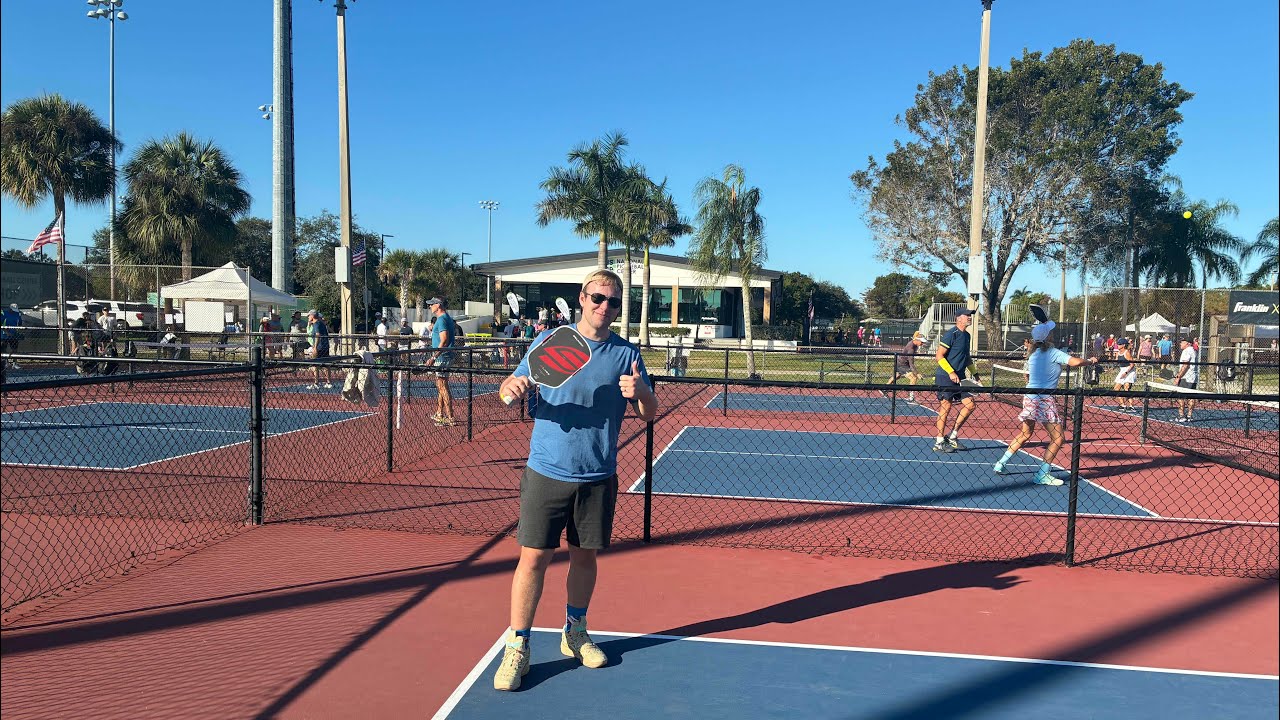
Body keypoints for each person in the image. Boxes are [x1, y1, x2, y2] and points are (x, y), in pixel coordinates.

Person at [493, 269, 657, 692]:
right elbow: (510, 386)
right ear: (582, 298)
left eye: (614, 301)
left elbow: (650, 412)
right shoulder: (553, 343)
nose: (605, 306)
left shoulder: (627, 355)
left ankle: (575, 632)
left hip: (598, 475)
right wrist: (510, 387)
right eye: (598, 298)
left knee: (585, 559)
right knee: (533, 559)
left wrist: (640, 391)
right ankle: (518, 646)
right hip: (547, 470)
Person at [992, 321, 1099, 485]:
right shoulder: (1052, 352)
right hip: (1043, 399)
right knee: (1058, 438)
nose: (1053, 334)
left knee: (1026, 434)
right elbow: (1075, 362)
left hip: (1029, 396)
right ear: (1048, 336)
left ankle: (1000, 463)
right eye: (1050, 332)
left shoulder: (1033, 354)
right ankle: (1042, 474)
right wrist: (1090, 361)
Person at [933, 309, 978, 452]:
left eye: (970, 315)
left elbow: (967, 357)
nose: (970, 317)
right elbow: (939, 356)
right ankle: (939, 442)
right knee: (946, 407)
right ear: (958, 318)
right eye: (967, 315)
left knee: (970, 405)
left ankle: (952, 436)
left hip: (961, 377)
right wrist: (951, 372)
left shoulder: (967, 336)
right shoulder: (950, 334)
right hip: (945, 376)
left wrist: (975, 374)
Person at [423, 298, 458, 426]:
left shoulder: (442, 319)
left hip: (442, 357)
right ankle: (439, 413)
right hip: (445, 356)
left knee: (443, 387)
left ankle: (450, 416)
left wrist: (433, 357)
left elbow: (443, 340)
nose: (430, 307)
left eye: (431, 305)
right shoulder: (446, 318)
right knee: (441, 386)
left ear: (438, 305)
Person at [888, 331, 926, 400]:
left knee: (897, 376)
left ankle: (885, 388)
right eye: (922, 342)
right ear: (917, 340)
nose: (923, 343)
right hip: (902, 364)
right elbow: (911, 363)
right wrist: (917, 373)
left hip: (901, 362)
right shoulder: (911, 348)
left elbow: (915, 336)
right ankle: (911, 397)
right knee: (913, 378)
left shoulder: (914, 343)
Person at [1172, 337, 1199, 422]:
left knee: (1181, 396)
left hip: (1186, 377)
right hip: (1193, 377)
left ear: (1188, 343)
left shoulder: (1187, 351)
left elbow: (1185, 365)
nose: (1180, 344)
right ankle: (1189, 415)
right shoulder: (1193, 351)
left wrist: (1178, 377)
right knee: (1191, 396)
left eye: (1182, 342)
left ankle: (1182, 415)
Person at [307, 310, 334, 389]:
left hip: (320, 347)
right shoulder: (321, 323)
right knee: (326, 364)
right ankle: (328, 382)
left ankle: (316, 383)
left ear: (312, 316)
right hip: (325, 346)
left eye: (309, 316)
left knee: (315, 364)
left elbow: (318, 335)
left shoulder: (316, 324)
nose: (308, 317)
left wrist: (315, 347)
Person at [1112, 337, 1138, 408]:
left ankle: (1131, 406)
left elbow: (1132, 365)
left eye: (1119, 344)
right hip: (1122, 370)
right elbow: (1116, 362)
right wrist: (1112, 367)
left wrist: (1126, 373)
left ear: (1123, 345)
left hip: (1129, 371)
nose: (1118, 345)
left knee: (1126, 388)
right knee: (1116, 389)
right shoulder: (1118, 353)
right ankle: (1122, 404)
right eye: (1118, 344)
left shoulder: (1127, 352)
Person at [2, 303, 22, 369]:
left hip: (13, 335)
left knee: (14, 349)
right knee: (3, 349)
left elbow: (19, 323)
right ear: (10, 309)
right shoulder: (4, 314)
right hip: (4, 335)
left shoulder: (18, 314)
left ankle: (14, 363)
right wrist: (6, 332)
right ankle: (6, 362)